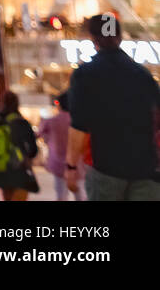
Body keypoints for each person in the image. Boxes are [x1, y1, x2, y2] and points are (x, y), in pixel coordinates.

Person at [65, 13, 160, 201]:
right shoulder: (143, 75)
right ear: (120, 37)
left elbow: (79, 127)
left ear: (92, 39)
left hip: (105, 170)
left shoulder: (85, 75)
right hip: (146, 170)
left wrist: (71, 166)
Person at [0, 90, 39, 201]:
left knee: (7, 198)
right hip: (19, 169)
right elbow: (33, 149)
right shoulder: (21, 122)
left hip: (0, 169)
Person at [39, 92, 84, 201]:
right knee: (81, 196)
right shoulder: (80, 121)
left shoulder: (51, 121)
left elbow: (39, 133)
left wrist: (47, 139)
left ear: (59, 105)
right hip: (78, 164)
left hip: (58, 164)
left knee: (61, 196)